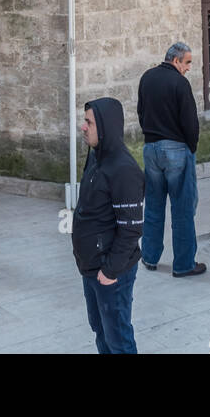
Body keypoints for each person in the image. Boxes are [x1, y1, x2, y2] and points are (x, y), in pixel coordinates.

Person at [71, 98, 145, 355]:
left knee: (118, 340)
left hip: (110, 273)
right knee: (100, 331)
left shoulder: (124, 170)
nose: (83, 127)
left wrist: (110, 271)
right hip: (91, 267)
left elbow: (132, 229)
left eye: (89, 122)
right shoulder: (95, 158)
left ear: (105, 126)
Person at [137, 41, 205, 277]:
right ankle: (184, 264)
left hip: (151, 148)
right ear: (175, 60)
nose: (188, 68)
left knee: (154, 206)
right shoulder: (180, 83)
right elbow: (190, 121)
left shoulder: (146, 78)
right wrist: (191, 148)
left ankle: (149, 256)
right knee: (182, 208)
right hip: (176, 149)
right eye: (187, 63)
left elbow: (141, 111)